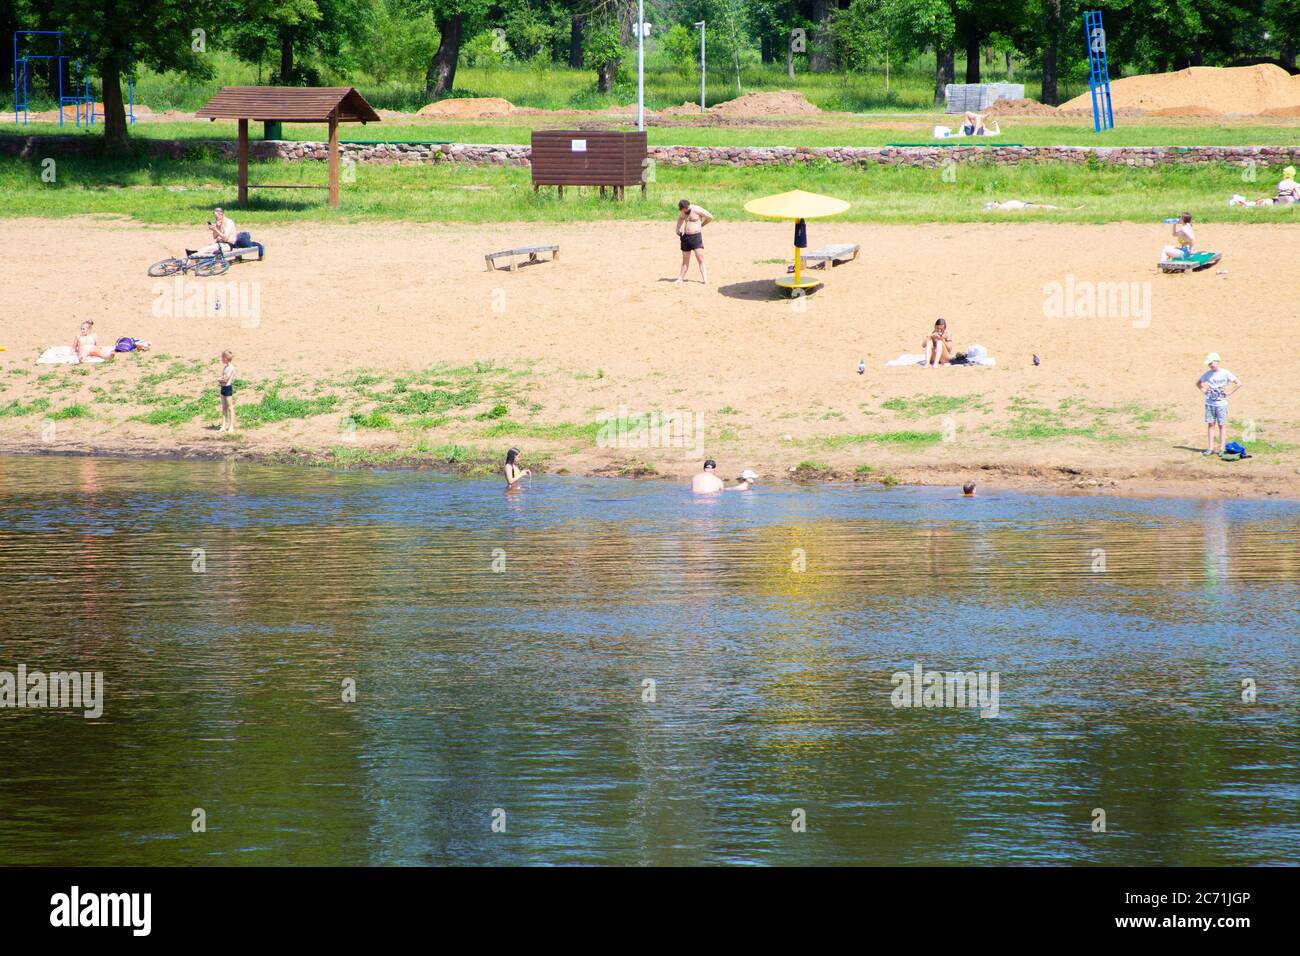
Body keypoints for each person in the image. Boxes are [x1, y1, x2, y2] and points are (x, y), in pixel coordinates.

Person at [1196, 353, 1240, 457]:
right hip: (1210, 404)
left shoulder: (1225, 373)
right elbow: (1198, 383)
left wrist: (1229, 392)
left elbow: (1239, 383)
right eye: (1209, 364)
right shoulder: (1207, 374)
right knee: (1211, 425)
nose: (1210, 365)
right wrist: (1204, 390)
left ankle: (1221, 448)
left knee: (1221, 426)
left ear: (1217, 361)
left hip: (1221, 404)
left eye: (1212, 363)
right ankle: (1210, 448)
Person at [675, 199, 712, 285]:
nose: (686, 210)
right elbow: (680, 219)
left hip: (696, 237)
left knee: (700, 258)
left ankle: (705, 279)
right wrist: (677, 228)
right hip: (686, 237)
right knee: (685, 260)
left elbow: (710, 217)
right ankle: (680, 278)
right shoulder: (683, 212)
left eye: (687, 208)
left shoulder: (696, 209)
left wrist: (701, 225)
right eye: (684, 209)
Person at [218, 350, 237, 433]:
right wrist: (221, 379)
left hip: (228, 388)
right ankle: (224, 425)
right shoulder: (225, 367)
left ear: (226, 358)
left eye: (222, 357)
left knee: (230, 407)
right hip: (223, 388)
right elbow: (223, 378)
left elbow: (225, 379)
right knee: (224, 407)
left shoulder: (231, 368)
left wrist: (219, 379)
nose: (221, 359)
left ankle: (231, 426)